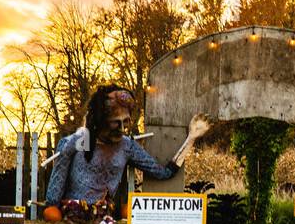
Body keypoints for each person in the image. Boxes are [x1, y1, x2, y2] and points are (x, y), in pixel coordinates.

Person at [45, 85, 207, 207]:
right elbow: (53, 199)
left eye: (126, 121)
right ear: (101, 121)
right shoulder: (73, 143)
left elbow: (163, 173)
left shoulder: (127, 146)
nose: (122, 129)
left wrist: (191, 138)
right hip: (72, 220)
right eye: (116, 123)